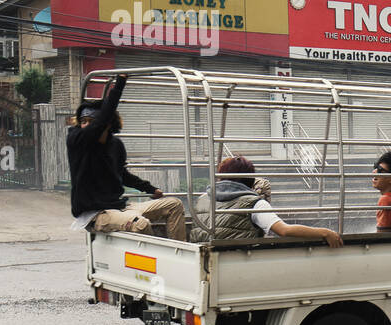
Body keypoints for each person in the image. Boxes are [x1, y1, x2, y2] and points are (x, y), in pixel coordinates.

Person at [67, 73, 188, 241]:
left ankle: (178, 252)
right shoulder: (77, 141)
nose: (85, 125)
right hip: (96, 214)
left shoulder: (115, 145)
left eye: (90, 121)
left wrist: (150, 189)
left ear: (108, 124)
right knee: (141, 224)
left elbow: (122, 175)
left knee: (174, 205)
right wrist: (120, 84)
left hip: (120, 208)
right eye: (83, 121)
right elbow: (100, 122)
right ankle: (157, 262)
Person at [190, 156, 342, 246]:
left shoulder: (202, 200)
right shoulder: (254, 204)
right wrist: (325, 233)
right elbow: (285, 231)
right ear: (250, 178)